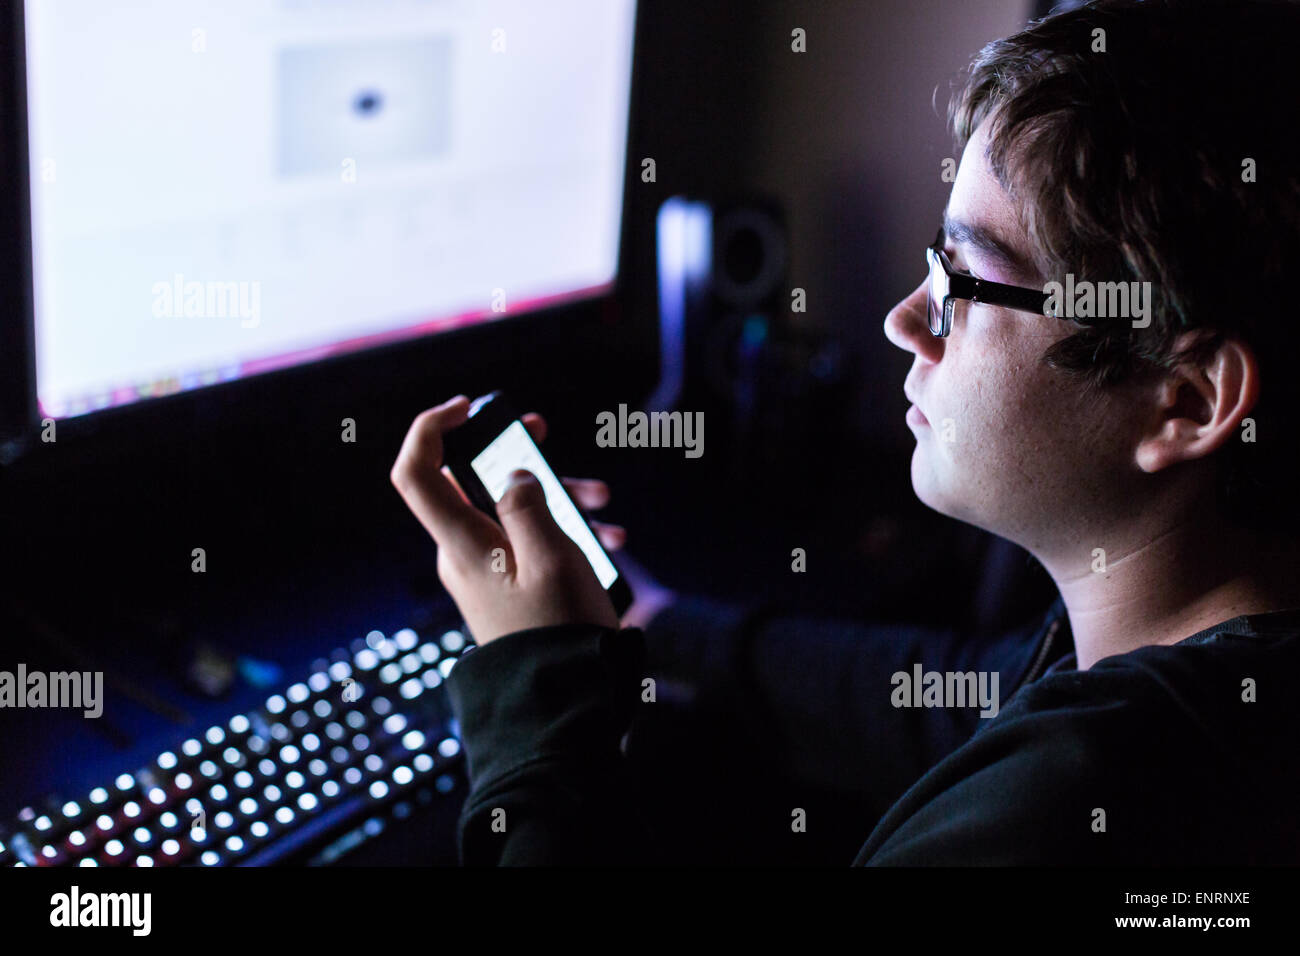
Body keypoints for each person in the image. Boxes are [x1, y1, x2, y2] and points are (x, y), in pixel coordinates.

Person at [389, 0, 1300, 865]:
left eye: (965, 284)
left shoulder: (1081, 808)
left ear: (1186, 400)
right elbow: (954, 698)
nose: (906, 320)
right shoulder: (1178, 647)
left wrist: (532, 691)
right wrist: (654, 625)